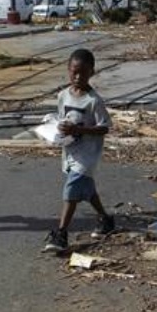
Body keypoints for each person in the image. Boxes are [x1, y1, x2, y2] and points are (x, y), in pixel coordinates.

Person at [44, 48, 115, 253]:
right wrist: (58, 130)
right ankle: (105, 219)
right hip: (71, 151)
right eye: (74, 72)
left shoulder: (94, 101)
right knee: (87, 189)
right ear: (68, 70)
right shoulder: (62, 96)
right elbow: (62, 120)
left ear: (91, 72)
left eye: (83, 73)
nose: (77, 77)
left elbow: (104, 127)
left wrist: (80, 129)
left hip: (87, 154)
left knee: (71, 191)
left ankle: (61, 233)